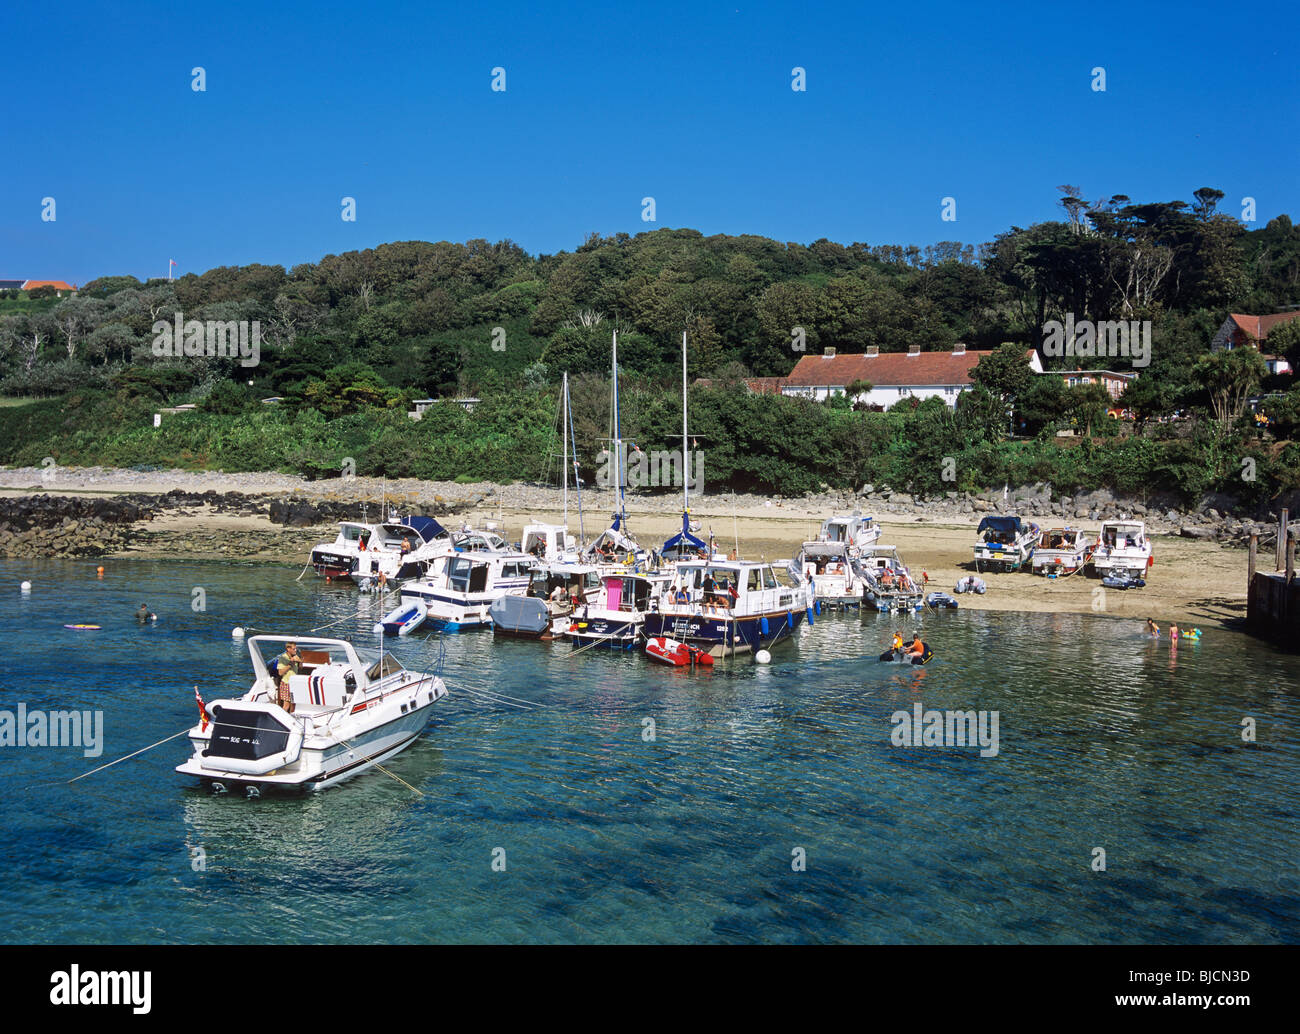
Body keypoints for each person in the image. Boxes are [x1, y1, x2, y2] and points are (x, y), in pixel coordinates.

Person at [274, 641, 301, 713]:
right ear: (288, 649)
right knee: (286, 705)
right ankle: (281, 718)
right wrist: (291, 664)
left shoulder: (296, 656)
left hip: (295, 684)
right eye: (294, 649)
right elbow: (280, 673)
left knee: (294, 705)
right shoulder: (283, 658)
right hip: (286, 683)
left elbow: (301, 668)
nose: (295, 650)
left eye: (296, 649)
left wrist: (300, 661)